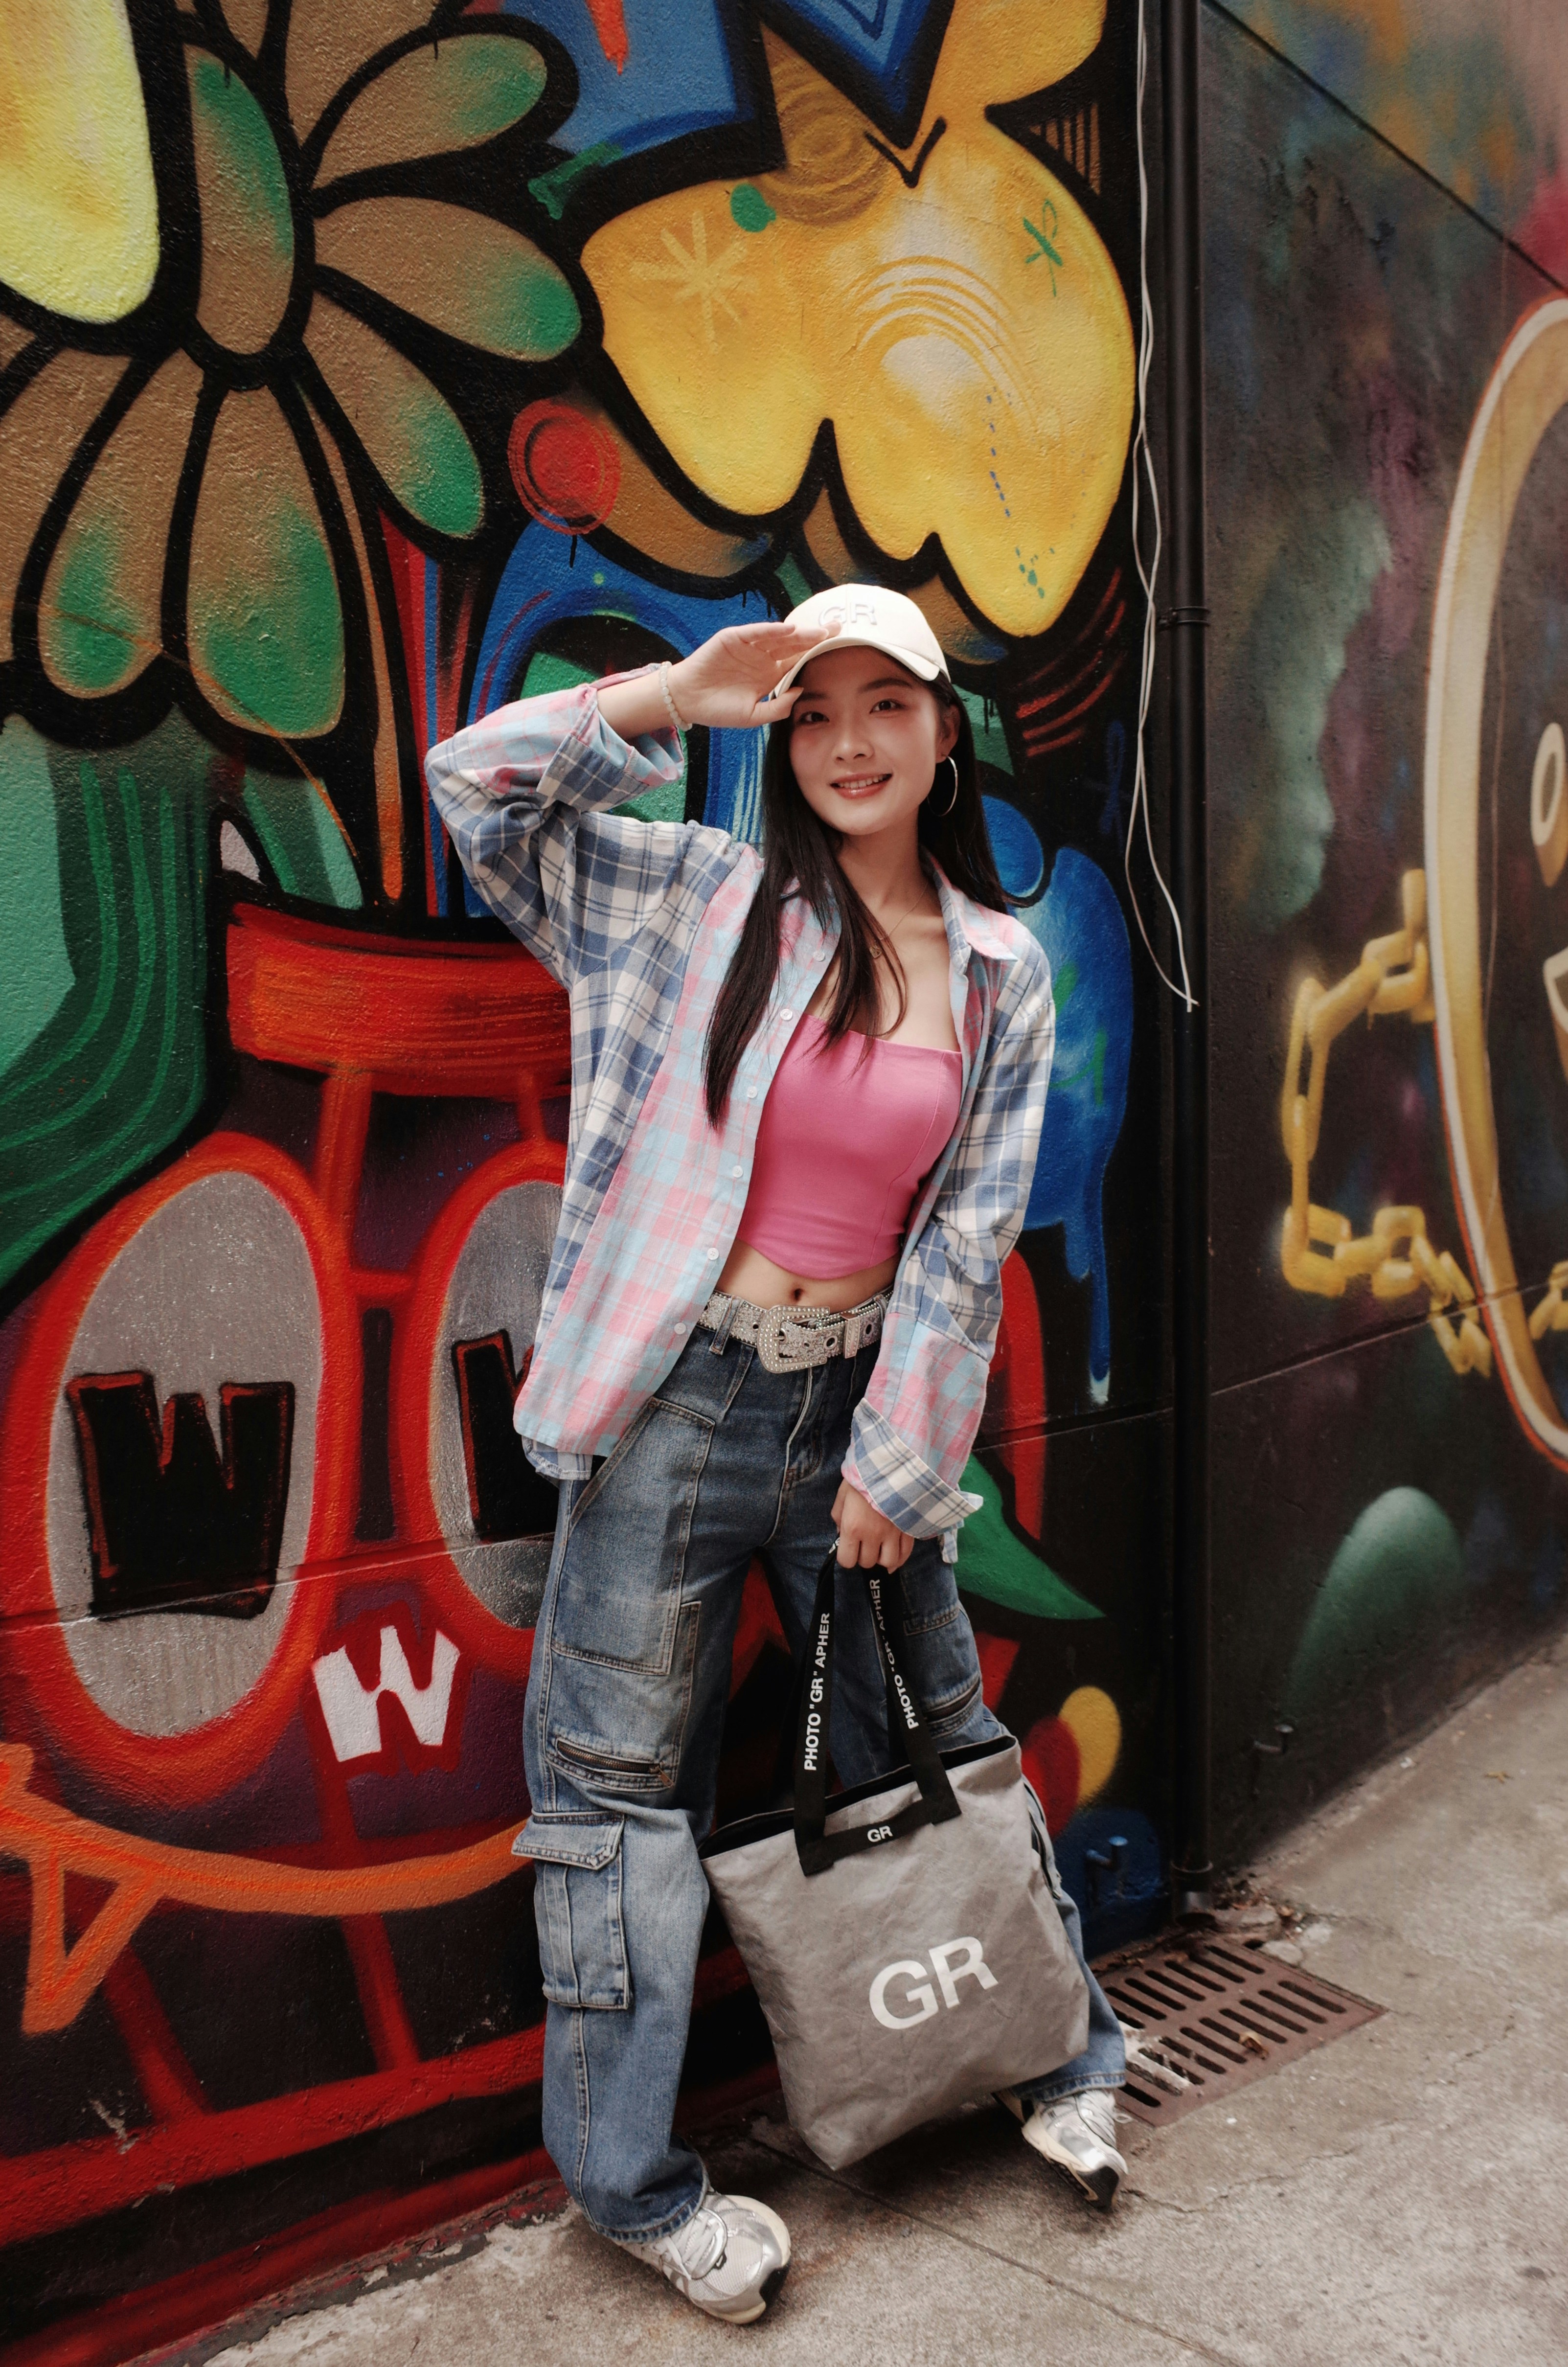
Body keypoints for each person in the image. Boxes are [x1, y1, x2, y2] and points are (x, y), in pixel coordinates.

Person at [426, 586, 1127, 2325]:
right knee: (612, 1809)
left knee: (949, 1746)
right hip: (673, 1410)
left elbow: (967, 1241)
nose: (849, 742)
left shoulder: (996, 971)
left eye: (887, 706)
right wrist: (678, 697)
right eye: (816, 713)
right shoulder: (686, 901)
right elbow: (472, 791)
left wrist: (901, 1467)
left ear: (944, 732)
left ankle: (1055, 2056)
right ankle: (637, 2186)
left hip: (854, 1419)